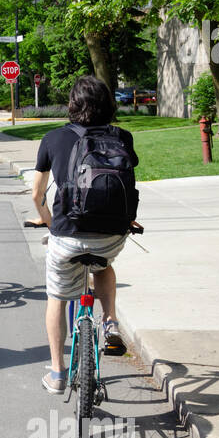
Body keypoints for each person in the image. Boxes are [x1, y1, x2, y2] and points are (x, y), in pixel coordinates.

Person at [27, 75, 140, 393]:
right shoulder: (123, 137)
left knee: (56, 298)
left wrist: (48, 222)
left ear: (72, 105)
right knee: (103, 265)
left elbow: (37, 195)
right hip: (112, 234)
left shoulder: (53, 138)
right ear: (108, 105)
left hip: (67, 233)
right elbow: (126, 184)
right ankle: (110, 322)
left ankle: (58, 373)